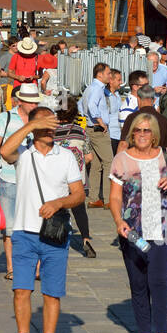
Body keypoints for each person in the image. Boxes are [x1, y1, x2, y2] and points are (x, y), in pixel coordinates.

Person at [0, 106, 85, 333]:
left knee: (51, 292)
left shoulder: (66, 156)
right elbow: (4, 151)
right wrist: (29, 126)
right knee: (21, 290)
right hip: (24, 232)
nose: (50, 129)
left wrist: (58, 204)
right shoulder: (24, 154)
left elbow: (79, 194)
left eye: (52, 124)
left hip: (54, 234)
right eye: (44, 125)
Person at [109, 112, 167, 333]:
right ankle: (143, 332)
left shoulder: (166, 157)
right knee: (138, 281)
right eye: (137, 130)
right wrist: (118, 220)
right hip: (133, 230)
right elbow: (115, 196)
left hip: (162, 228)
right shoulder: (121, 160)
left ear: (154, 135)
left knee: (158, 279)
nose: (141, 134)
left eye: (146, 131)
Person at [0, 81, 39, 280]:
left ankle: (35, 267)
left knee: (34, 225)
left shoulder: (39, 119)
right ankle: (11, 267)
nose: (34, 105)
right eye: (31, 102)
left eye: (36, 102)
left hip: (34, 180)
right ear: (21, 101)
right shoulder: (6, 117)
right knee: (10, 227)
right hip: (9, 178)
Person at [53, 101, 96, 258]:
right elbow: (89, 157)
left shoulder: (51, 132)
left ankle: (56, 238)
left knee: (57, 208)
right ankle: (85, 238)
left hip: (58, 180)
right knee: (80, 210)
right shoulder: (81, 132)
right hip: (78, 179)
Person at [79, 62, 115, 209]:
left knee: (96, 165)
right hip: (98, 130)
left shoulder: (90, 88)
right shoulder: (98, 89)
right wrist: (100, 121)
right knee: (109, 163)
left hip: (90, 128)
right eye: (108, 73)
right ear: (100, 74)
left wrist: (88, 118)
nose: (110, 76)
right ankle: (108, 199)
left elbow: (81, 105)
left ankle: (94, 198)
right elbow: (92, 106)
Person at [131, 85, 167, 152]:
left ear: (138, 98)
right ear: (154, 99)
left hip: (136, 159)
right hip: (158, 159)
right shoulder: (163, 120)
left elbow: (123, 144)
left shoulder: (132, 118)